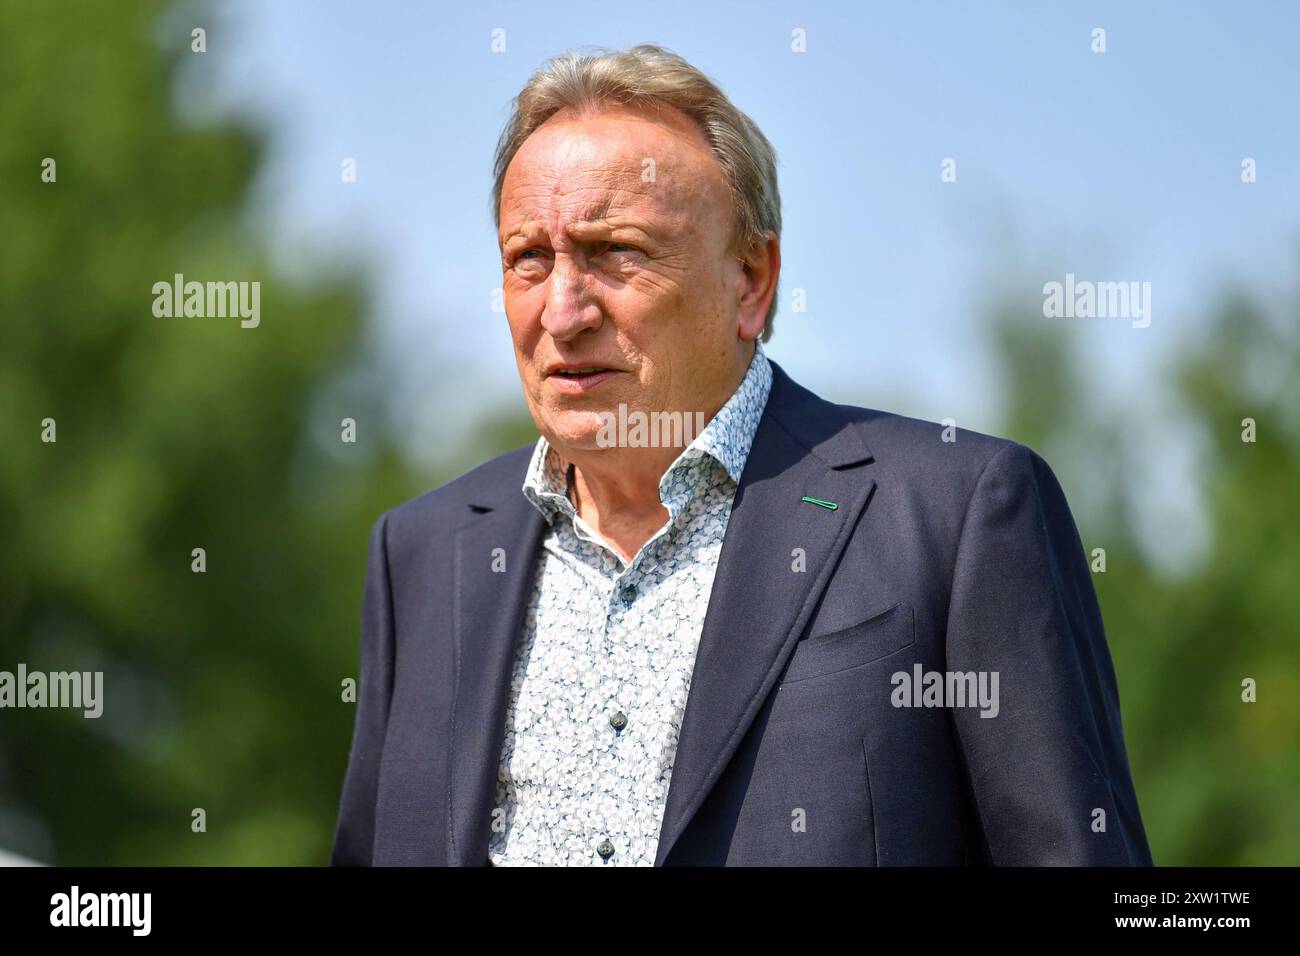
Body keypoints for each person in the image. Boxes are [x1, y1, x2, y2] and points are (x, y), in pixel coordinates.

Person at [331, 43, 1152, 866]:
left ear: (752, 280)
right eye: (529, 260)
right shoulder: (421, 554)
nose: (564, 311)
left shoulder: (958, 513)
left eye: (617, 251)